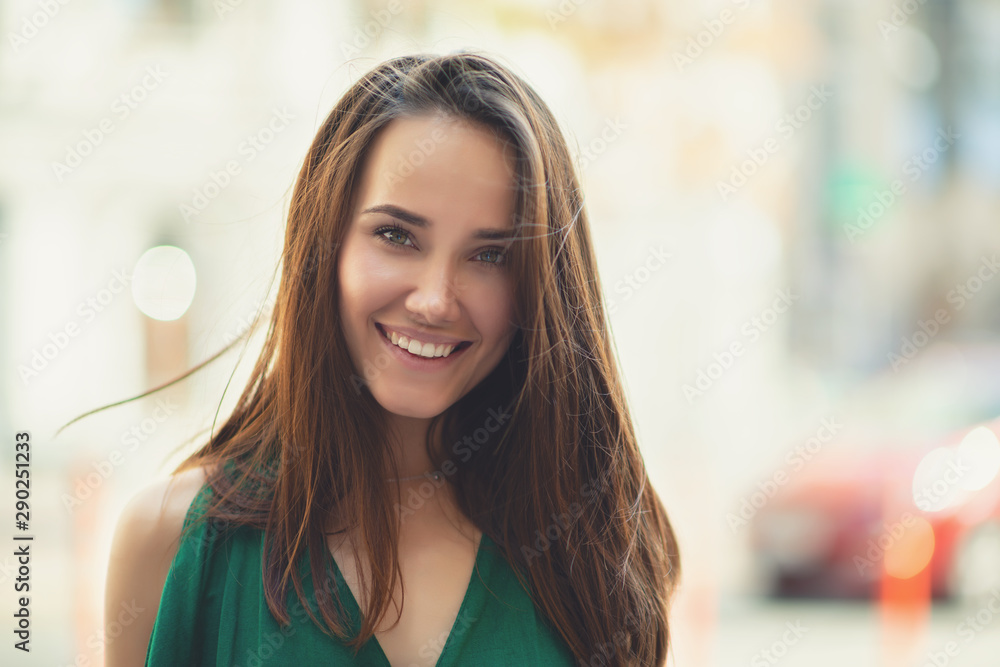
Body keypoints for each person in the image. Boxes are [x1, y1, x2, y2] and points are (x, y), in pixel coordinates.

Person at [99, 50, 681, 666]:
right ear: (326, 246)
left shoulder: (594, 557)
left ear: (539, 286)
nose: (434, 300)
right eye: (397, 236)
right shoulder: (170, 540)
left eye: (490, 255)